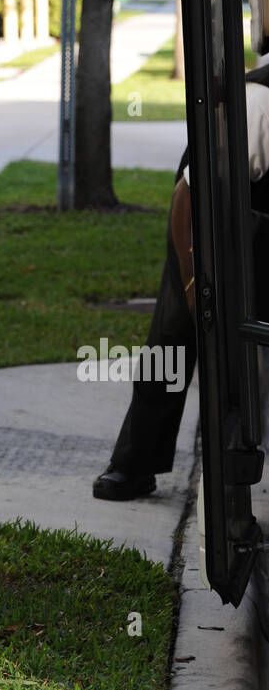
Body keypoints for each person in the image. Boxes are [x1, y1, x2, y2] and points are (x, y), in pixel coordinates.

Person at [94, 69, 269, 500]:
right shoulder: (258, 102)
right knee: (174, 334)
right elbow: (190, 195)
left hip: (259, 215)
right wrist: (194, 285)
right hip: (208, 218)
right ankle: (135, 463)